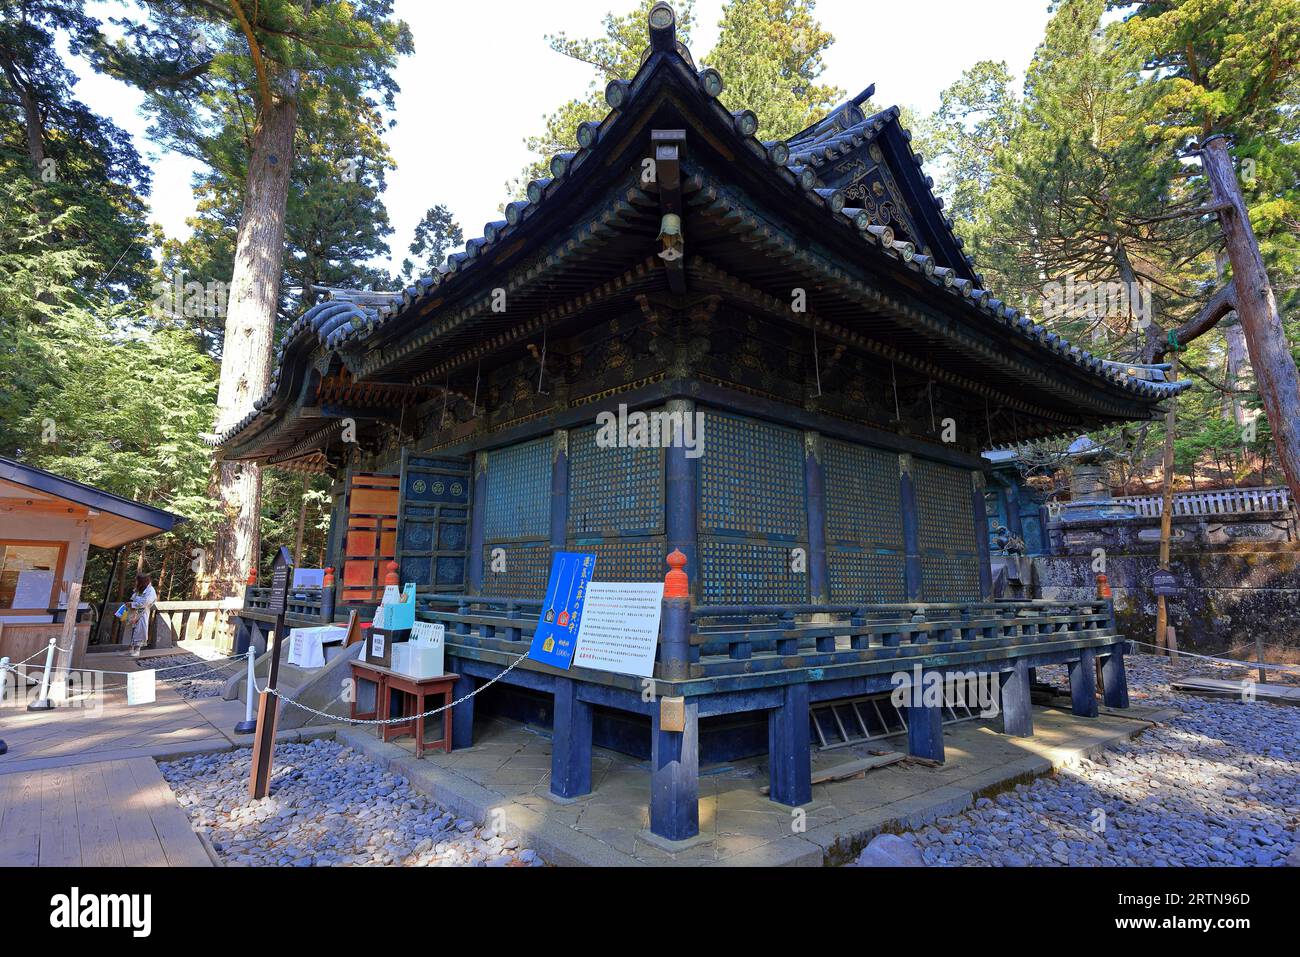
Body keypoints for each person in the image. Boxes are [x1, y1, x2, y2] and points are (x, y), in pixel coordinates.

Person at [127, 573, 157, 656]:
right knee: (132, 630)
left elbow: (146, 602)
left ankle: (137, 650)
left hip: (143, 612)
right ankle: (131, 649)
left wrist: (133, 604)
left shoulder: (150, 590)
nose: (136, 582)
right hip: (134, 612)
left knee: (140, 630)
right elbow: (134, 598)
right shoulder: (140, 589)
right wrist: (131, 604)